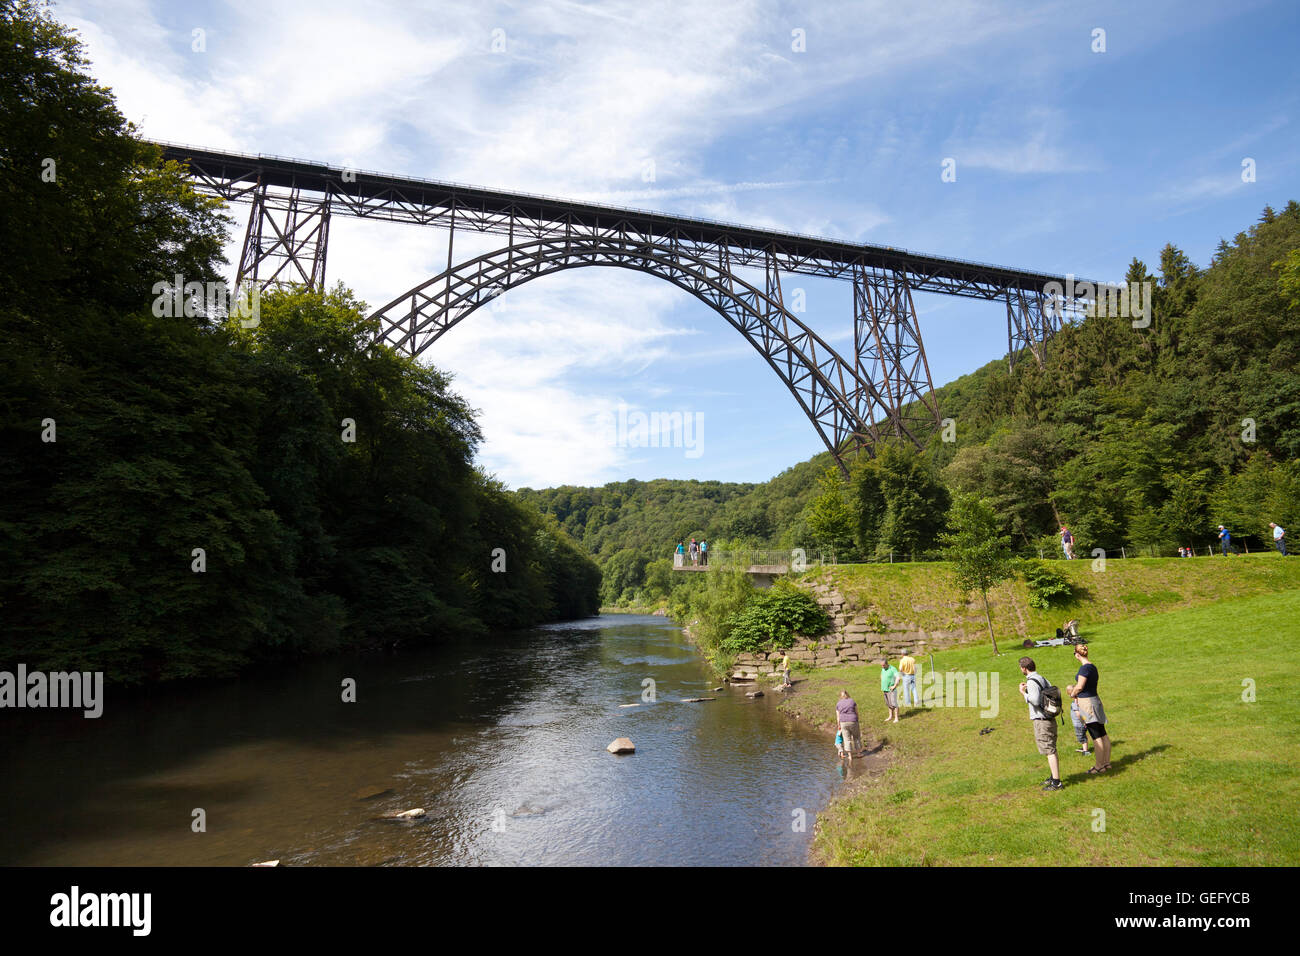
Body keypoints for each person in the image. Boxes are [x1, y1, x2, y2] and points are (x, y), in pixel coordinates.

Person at [1018, 657, 1063, 790]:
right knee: (1051, 748)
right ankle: (1053, 776)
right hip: (1050, 718)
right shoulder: (1042, 678)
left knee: (1049, 750)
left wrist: (1023, 693)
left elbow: (1036, 701)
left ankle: (1056, 782)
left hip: (1042, 721)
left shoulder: (1031, 682)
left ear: (1024, 668)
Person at [1067, 644, 1111, 773]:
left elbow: (1080, 686)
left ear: (1077, 655)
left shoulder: (1084, 669)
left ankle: (1099, 766)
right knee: (1102, 733)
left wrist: (1072, 693)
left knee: (1095, 735)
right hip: (1096, 701)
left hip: (1087, 704)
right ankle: (1106, 763)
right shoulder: (1093, 667)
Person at [835, 690, 862, 759]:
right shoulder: (852, 701)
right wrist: (857, 719)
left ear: (840, 696)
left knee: (847, 739)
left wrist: (838, 725)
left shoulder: (838, 703)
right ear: (847, 694)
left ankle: (850, 756)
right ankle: (858, 753)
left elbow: (838, 717)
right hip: (853, 721)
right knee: (856, 737)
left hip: (843, 722)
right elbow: (856, 712)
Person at [880, 658, 901, 723]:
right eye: (881, 665)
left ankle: (896, 718)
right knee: (889, 704)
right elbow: (882, 675)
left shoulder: (893, 669)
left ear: (887, 664)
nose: (882, 667)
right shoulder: (883, 669)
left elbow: (898, 677)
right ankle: (890, 716)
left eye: (883, 665)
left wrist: (894, 686)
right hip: (885, 689)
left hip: (891, 690)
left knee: (894, 704)